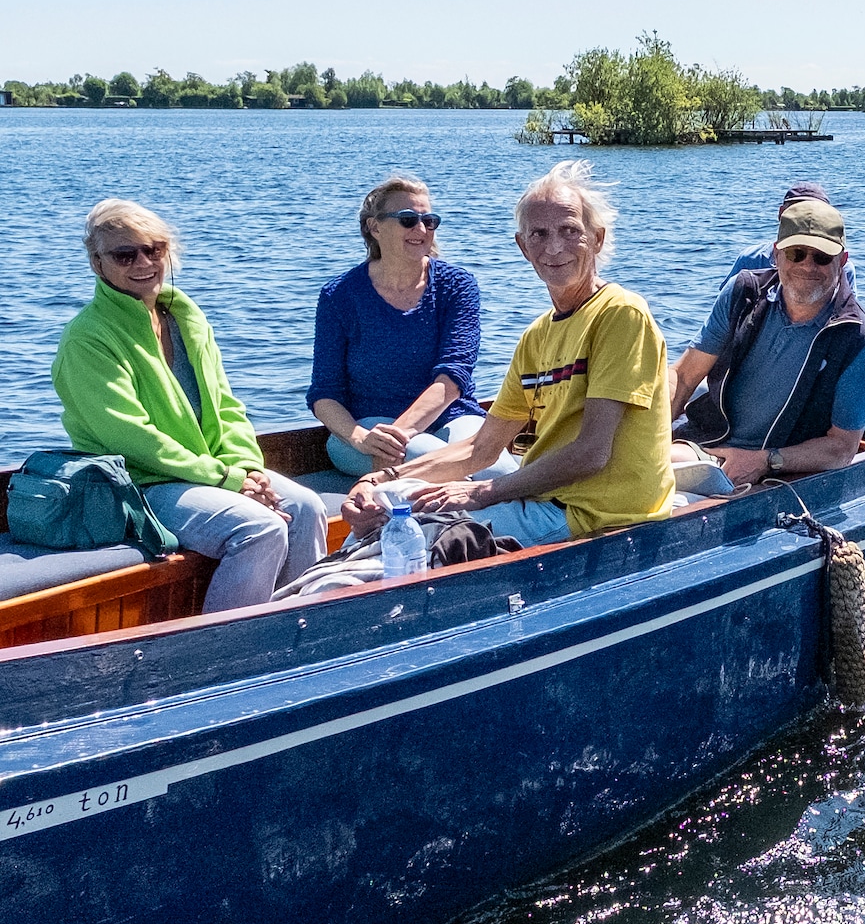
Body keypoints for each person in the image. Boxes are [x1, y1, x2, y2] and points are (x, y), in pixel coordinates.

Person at [340, 160, 673, 548]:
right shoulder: (537, 336)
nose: (554, 247)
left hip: (597, 517)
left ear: (596, 239)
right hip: (545, 501)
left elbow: (591, 453)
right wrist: (382, 480)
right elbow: (481, 448)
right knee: (386, 513)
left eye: (570, 231)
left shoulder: (620, 314)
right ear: (523, 246)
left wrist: (484, 493)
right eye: (539, 234)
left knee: (413, 539)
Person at [53, 198, 327, 610]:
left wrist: (248, 468)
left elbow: (226, 406)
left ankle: (298, 631)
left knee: (307, 507)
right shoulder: (88, 338)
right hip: (139, 484)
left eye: (154, 249)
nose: (143, 262)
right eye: (125, 254)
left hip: (208, 471)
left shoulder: (185, 317)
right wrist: (226, 479)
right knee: (259, 527)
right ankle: (224, 653)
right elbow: (131, 437)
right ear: (98, 264)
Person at [668, 196, 865, 486]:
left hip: (777, 473)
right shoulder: (742, 293)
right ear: (777, 254)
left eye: (822, 257)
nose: (808, 266)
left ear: (842, 261)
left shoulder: (863, 343)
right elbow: (683, 377)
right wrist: (646, 437)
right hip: (706, 444)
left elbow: (841, 449)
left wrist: (766, 460)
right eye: (797, 253)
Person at [308, 174, 514, 480]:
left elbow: (452, 379)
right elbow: (324, 394)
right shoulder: (339, 296)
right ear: (374, 227)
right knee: (428, 458)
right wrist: (361, 438)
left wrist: (399, 434)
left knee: (496, 470)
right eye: (408, 220)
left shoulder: (457, 287)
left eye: (429, 221)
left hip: (452, 416)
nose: (421, 229)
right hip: (368, 429)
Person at [722, 182, 833, 288]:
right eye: (795, 212)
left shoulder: (840, 268)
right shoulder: (751, 259)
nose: (805, 220)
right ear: (781, 213)